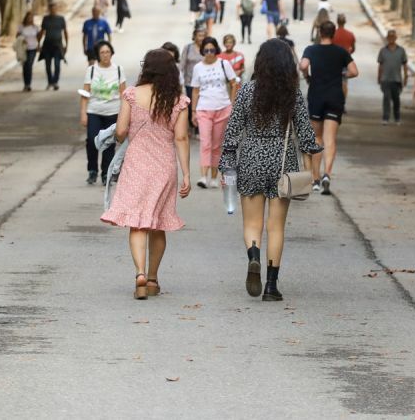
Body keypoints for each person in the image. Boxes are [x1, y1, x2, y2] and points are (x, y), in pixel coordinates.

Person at [220, 39, 321, 301]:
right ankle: (271, 287)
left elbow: (231, 133)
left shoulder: (245, 92)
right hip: (282, 164)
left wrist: (227, 164)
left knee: (252, 223)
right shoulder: (293, 94)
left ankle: (253, 255)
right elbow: (307, 136)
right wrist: (313, 158)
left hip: (251, 159)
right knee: (276, 227)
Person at [101, 48, 191, 300]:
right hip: (164, 166)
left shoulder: (131, 94)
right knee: (158, 223)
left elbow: (120, 131)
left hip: (136, 164)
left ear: (147, 68)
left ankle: (139, 273)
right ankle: (152, 278)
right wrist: (186, 174)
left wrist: (121, 134)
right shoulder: (179, 100)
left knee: (138, 222)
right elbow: (181, 137)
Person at [299, 19, 356, 194]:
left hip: (317, 95)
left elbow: (303, 65)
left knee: (317, 138)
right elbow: (354, 71)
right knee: (330, 138)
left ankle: (315, 179)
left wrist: (307, 75)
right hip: (335, 97)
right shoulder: (341, 52)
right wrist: (340, 72)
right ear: (333, 34)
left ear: (319, 33)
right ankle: (327, 174)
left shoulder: (311, 49)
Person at [190, 37, 236, 189]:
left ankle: (215, 177)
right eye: (206, 50)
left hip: (222, 108)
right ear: (202, 51)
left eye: (212, 50)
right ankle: (203, 176)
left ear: (216, 50)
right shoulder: (198, 67)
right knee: (205, 143)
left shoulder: (224, 64)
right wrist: (193, 111)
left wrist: (232, 103)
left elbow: (234, 83)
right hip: (204, 109)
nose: (209, 53)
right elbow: (195, 90)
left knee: (216, 145)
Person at [79, 40, 125, 185]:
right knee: (92, 141)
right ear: (98, 55)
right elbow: (85, 93)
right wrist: (83, 113)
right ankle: (92, 170)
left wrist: (124, 115)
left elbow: (124, 94)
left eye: (107, 52)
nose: (105, 55)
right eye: (102, 53)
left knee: (109, 144)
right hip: (94, 111)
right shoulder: (92, 70)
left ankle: (106, 173)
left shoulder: (118, 70)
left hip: (113, 112)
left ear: (112, 53)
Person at [376, 29, 409, 125]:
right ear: (387, 38)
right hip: (385, 79)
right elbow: (380, 65)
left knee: (396, 99)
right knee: (386, 98)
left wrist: (406, 77)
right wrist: (379, 77)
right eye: (389, 37)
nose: (391, 39)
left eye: (392, 37)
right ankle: (385, 118)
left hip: (397, 79)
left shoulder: (401, 50)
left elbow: (405, 64)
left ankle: (397, 118)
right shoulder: (383, 51)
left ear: (396, 38)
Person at [40, 1, 68, 90]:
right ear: (49, 10)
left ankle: (55, 82)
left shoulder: (61, 19)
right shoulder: (45, 19)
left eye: (55, 8)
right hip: (47, 45)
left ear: (56, 9)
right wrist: (38, 43)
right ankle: (50, 81)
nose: (53, 10)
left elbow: (65, 31)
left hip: (57, 45)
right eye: (51, 8)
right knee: (47, 65)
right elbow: (42, 31)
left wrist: (66, 44)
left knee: (57, 64)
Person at [17, 12, 41, 91]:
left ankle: (29, 84)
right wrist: (22, 39)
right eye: (28, 17)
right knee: (25, 66)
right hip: (24, 49)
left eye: (31, 17)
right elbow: (17, 36)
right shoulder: (21, 27)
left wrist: (38, 45)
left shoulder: (35, 27)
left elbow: (38, 37)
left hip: (33, 48)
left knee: (29, 65)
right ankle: (26, 84)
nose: (30, 19)